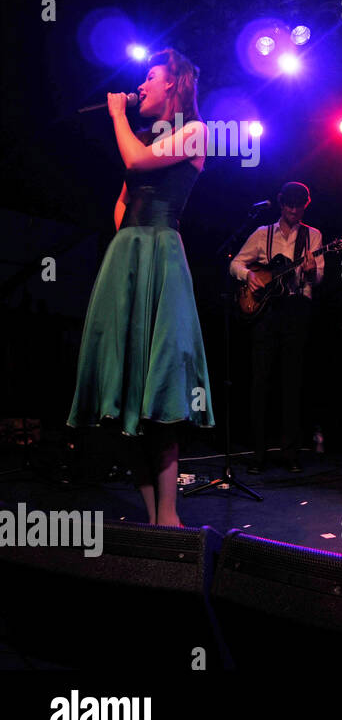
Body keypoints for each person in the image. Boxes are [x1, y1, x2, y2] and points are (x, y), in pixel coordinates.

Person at [67, 48, 214, 526]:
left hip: (164, 257)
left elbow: (135, 163)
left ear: (174, 83)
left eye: (151, 76)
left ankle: (168, 517)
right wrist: (126, 245)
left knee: (162, 382)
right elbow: (123, 199)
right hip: (131, 257)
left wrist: (115, 115)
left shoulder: (195, 131)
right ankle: (151, 518)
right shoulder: (145, 136)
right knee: (127, 387)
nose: (141, 85)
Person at [228, 182, 323, 474]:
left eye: (299, 206)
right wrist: (248, 277)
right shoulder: (262, 234)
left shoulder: (313, 235)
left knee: (291, 383)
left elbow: (318, 276)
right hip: (267, 314)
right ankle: (258, 454)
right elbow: (234, 264)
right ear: (282, 204)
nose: (294, 211)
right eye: (289, 206)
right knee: (261, 381)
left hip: (296, 311)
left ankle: (290, 453)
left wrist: (310, 271)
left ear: (305, 205)